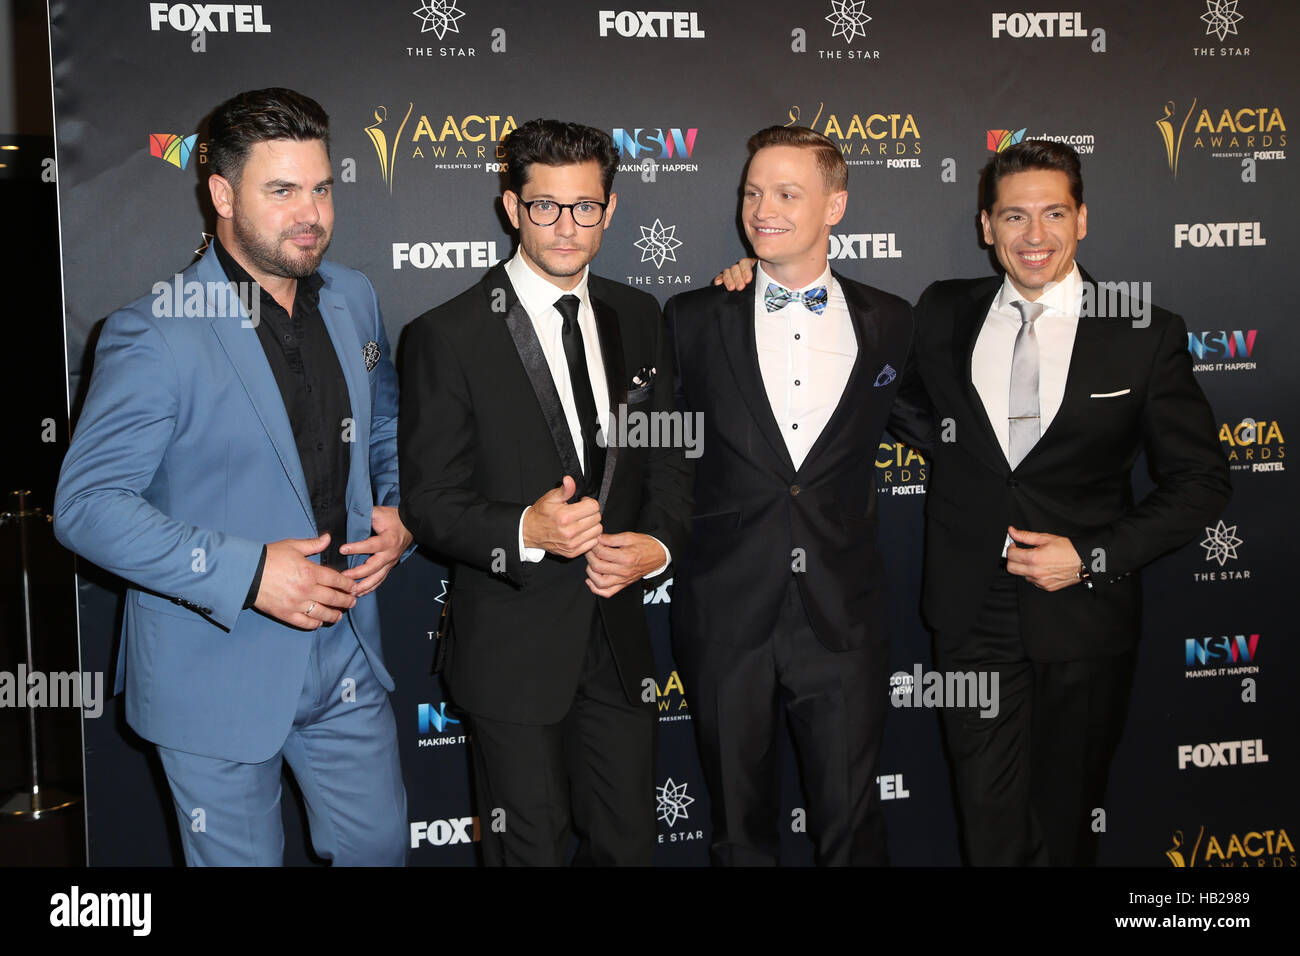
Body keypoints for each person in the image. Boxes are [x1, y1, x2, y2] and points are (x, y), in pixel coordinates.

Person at [720, 138, 1231, 865]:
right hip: (969, 617)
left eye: (1054, 213)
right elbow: (869, 370)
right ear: (986, 227)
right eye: (1013, 216)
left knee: (1063, 825)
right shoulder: (940, 313)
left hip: (1084, 615)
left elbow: (1203, 482)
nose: (1035, 235)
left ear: (1082, 219)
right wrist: (758, 274)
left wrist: (1091, 556)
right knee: (986, 827)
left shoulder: (1144, 329)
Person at [54, 88, 411, 866]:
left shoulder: (353, 297)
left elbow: (385, 424)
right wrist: (248, 573)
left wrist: (397, 507)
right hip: (214, 669)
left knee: (382, 850)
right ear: (221, 193)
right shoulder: (152, 334)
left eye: (320, 188)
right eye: (281, 191)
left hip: (347, 650)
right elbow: (84, 507)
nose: (309, 212)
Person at [398, 119, 692, 866]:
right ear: (510, 206)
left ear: (611, 209)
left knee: (629, 848)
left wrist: (655, 548)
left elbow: (668, 460)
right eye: (544, 207)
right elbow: (430, 502)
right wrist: (526, 529)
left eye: (585, 206)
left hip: (620, 645)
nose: (566, 227)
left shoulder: (639, 314)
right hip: (512, 651)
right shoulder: (447, 334)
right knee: (527, 854)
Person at [667, 126, 917, 865]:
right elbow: (654, 450)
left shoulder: (893, 321)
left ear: (835, 205)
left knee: (852, 829)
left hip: (843, 616)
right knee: (738, 835)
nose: (762, 208)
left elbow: (945, 430)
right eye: (752, 192)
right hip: (725, 612)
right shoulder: (693, 317)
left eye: (785, 193)